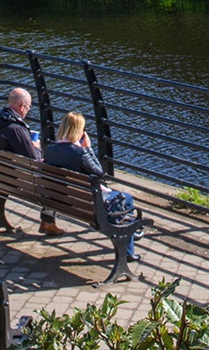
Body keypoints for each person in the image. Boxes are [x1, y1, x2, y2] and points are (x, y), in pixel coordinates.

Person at [43, 111, 141, 261]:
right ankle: (129, 248)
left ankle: (133, 231)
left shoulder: (50, 150)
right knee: (126, 199)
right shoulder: (80, 153)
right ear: (79, 131)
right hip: (89, 205)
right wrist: (88, 148)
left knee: (119, 202)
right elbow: (100, 173)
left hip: (63, 201)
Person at [0, 87, 62, 235]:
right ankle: (48, 222)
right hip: (20, 182)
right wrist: (37, 146)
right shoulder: (16, 129)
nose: (27, 111)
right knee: (55, 178)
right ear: (21, 106)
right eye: (28, 107)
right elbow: (34, 159)